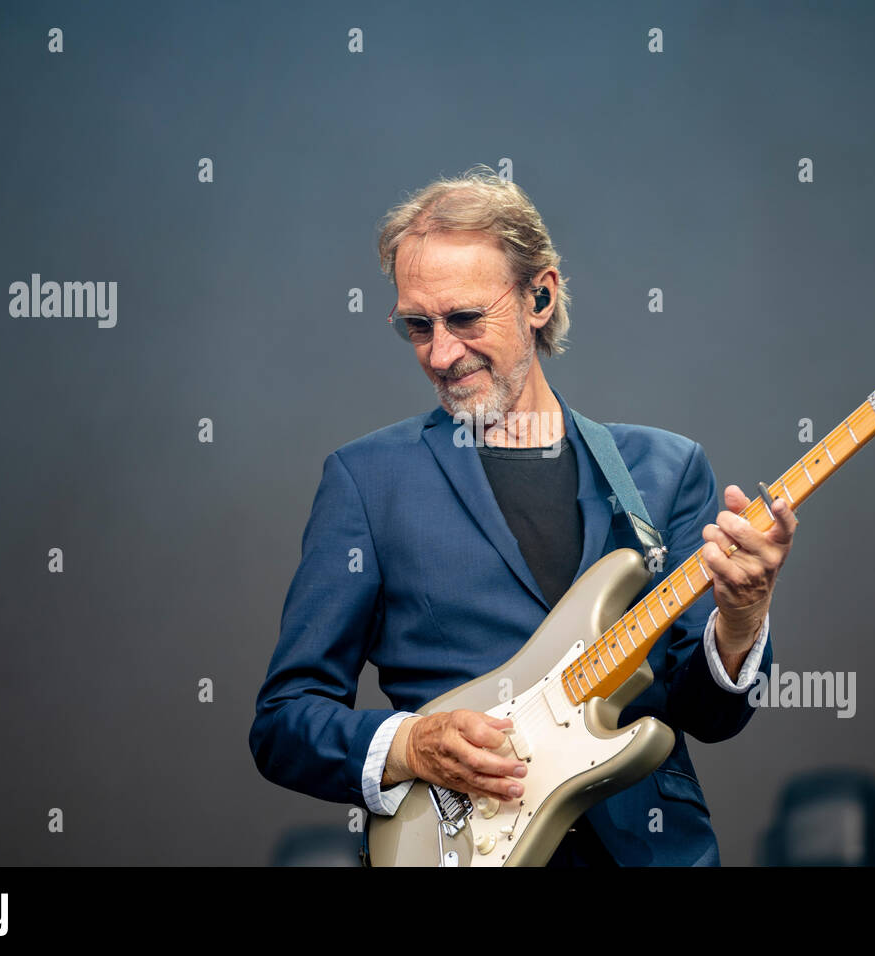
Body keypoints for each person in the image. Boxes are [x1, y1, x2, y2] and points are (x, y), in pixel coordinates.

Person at [249, 166, 798, 865]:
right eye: (417, 326)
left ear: (541, 294)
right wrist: (410, 744)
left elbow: (710, 717)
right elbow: (283, 722)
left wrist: (743, 618)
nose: (441, 353)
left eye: (466, 318)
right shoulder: (368, 481)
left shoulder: (664, 471)